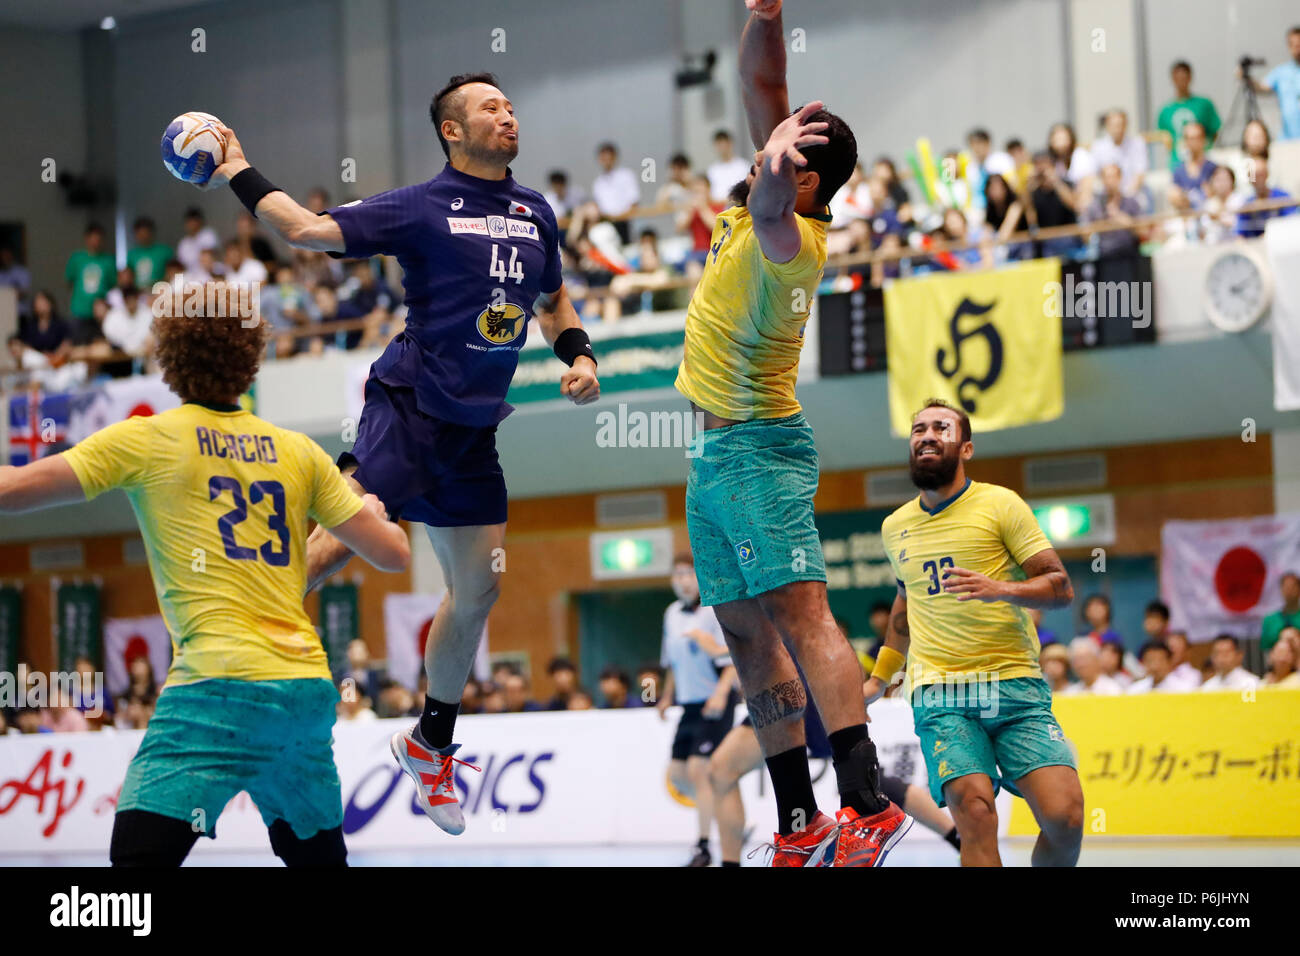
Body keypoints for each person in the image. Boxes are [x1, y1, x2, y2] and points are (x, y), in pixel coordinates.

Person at [203, 72, 601, 837]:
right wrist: (234, 168)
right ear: (453, 130)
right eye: (491, 107)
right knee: (335, 551)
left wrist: (576, 356)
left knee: (478, 592)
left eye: (511, 105)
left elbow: (552, 302)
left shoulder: (536, 211)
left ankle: (430, 745)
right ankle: (232, 677)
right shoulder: (420, 207)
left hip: (474, 431)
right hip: (408, 409)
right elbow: (307, 230)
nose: (508, 114)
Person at [0, 299, 410, 867]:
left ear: (169, 362)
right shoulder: (298, 452)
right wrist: (374, 512)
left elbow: (13, 487)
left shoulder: (146, 440)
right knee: (318, 860)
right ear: (252, 360)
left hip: (213, 687)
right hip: (302, 688)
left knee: (134, 876)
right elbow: (393, 555)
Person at [675, 0, 907, 868]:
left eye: (782, 157)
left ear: (806, 182)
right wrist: (765, 15)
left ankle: (866, 799)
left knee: (802, 611)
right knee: (744, 632)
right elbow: (759, 79)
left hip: (759, 448)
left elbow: (771, 193)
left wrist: (774, 169)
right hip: (712, 460)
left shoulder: (790, 238)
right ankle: (800, 820)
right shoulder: (762, 204)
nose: (765, 154)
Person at [866, 399, 1083, 868]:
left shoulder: (1001, 504)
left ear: (965, 447)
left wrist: (999, 589)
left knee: (1065, 819)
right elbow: (906, 603)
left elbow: (1060, 587)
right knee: (976, 812)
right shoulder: (894, 527)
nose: (926, 435)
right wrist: (881, 677)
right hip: (941, 691)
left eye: (941, 428)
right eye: (918, 428)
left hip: (1016, 686)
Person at [656, 554, 738, 867]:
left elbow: (730, 658)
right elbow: (672, 661)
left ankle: (703, 847)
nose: (683, 580)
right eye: (677, 574)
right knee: (678, 774)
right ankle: (728, 821)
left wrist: (720, 693)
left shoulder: (713, 610)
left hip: (715, 701)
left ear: (700, 576)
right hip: (689, 704)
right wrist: (666, 696)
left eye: (689, 573)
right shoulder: (671, 614)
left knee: (698, 771)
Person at [1156, 61, 1222, 167]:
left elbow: (1215, 131)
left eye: (1184, 78)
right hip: (1177, 163)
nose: (1181, 82)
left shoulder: (1203, 104)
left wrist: (1204, 148)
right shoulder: (1166, 110)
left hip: (1202, 161)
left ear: (1190, 78)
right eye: (1178, 78)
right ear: (1173, 79)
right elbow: (1165, 139)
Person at [1241, 27, 1300, 141]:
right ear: (1289, 47)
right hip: (1288, 139)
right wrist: (1246, 77)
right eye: (1294, 46)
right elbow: (1261, 87)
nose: (1298, 49)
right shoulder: (1282, 72)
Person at [1081, 163, 1145, 259]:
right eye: (1106, 177)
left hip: (1129, 254)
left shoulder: (1131, 202)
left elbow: (1143, 231)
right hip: (1105, 256)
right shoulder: (1095, 205)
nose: (1110, 181)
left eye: (1113, 177)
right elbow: (1085, 235)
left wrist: (1121, 218)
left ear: (1120, 178)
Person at [65, 223, 115, 343]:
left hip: (101, 314)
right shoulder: (77, 258)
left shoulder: (108, 260)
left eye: (99, 239)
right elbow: (69, 282)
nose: (95, 241)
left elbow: (113, 286)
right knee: (79, 346)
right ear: (86, 238)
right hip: (80, 311)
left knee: (102, 347)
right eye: (93, 238)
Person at [1235, 154, 1296, 238]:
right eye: (1254, 176)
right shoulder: (1247, 205)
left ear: (1267, 174)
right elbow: (1240, 233)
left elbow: (1291, 222)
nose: (1258, 179)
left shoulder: (1283, 197)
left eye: (1261, 174)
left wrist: (1269, 235)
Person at [591, 142, 641, 243]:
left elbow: (634, 203)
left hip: (625, 224)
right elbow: (598, 207)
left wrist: (618, 217)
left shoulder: (626, 176)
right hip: (607, 226)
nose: (605, 161)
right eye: (603, 158)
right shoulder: (598, 182)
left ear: (615, 157)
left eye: (608, 157)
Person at [1168, 122, 1217, 210]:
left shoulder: (1213, 168)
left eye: (1197, 138)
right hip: (1186, 216)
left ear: (1203, 140)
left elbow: (1215, 195)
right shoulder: (1179, 170)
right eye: (1190, 139)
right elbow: (1174, 197)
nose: (1194, 142)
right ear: (1185, 142)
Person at [1127, 642, 1195, 694]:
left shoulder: (1184, 689)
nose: (1155, 666)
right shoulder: (1135, 690)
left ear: (1169, 661)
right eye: (1150, 661)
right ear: (1143, 663)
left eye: (1160, 660)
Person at [707, 129, 753, 203]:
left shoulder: (743, 166)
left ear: (730, 143)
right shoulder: (712, 169)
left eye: (724, 143)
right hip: (717, 208)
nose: (722, 147)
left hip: (737, 206)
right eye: (719, 144)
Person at [127, 217, 173, 290]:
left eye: (145, 232)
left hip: (160, 292)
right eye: (140, 233)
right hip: (137, 295)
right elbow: (128, 279)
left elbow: (173, 274)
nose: (143, 236)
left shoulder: (164, 251)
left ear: (151, 232)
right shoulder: (131, 255)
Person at [1261, 571, 1300, 656]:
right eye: (1286, 587)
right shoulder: (1270, 620)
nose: (1289, 591)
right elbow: (1265, 649)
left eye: (1292, 587)